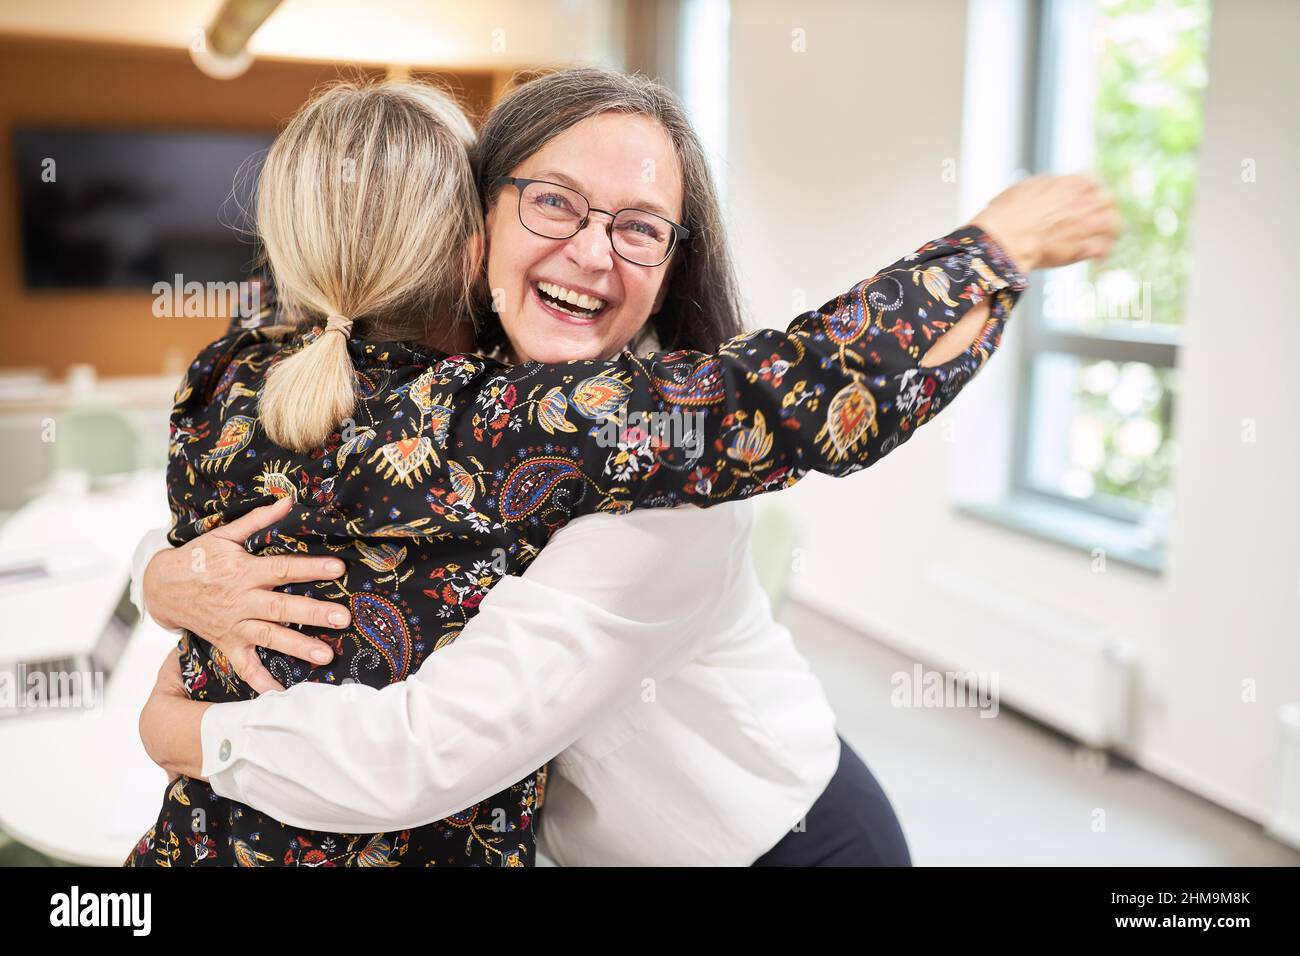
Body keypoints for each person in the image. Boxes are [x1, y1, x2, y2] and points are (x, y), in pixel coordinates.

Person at [129, 69, 1117, 866]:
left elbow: (422, 752)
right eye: (554, 201)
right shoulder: (435, 397)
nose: (592, 252)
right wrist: (169, 578)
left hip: (774, 840)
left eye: (640, 225)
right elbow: (242, 528)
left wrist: (995, 254)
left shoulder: (650, 472)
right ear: (472, 231)